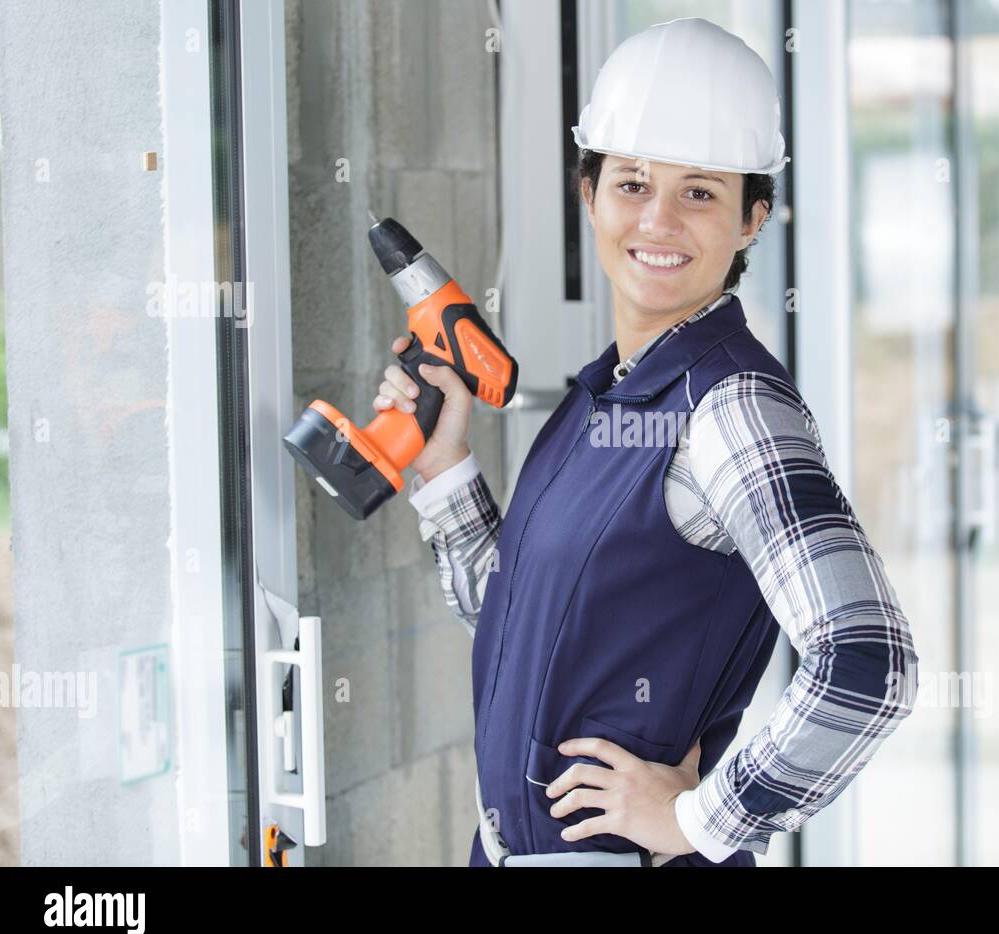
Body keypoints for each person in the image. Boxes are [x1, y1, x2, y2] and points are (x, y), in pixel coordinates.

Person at [371, 17, 918, 867]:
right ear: (588, 196)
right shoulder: (604, 397)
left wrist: (701, 820)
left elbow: (869, 661)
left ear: (751, 219)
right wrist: (445, 469)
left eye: (699, 191)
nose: (658, 220)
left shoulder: (732, 407)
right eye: (632, 184)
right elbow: (522, 624)